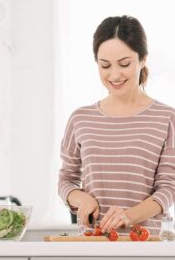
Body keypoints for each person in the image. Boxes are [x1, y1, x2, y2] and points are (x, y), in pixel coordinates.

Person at [58, 15, 175, 236]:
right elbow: (66, 179)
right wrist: (80, 198)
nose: (114, 75)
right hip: (92, 246)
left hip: (147, 247)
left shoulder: (167, 118)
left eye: (124, 64)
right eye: (105, 66)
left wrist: (128, 216)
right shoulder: (80, 119)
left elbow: (169, 187)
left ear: (142, 60)